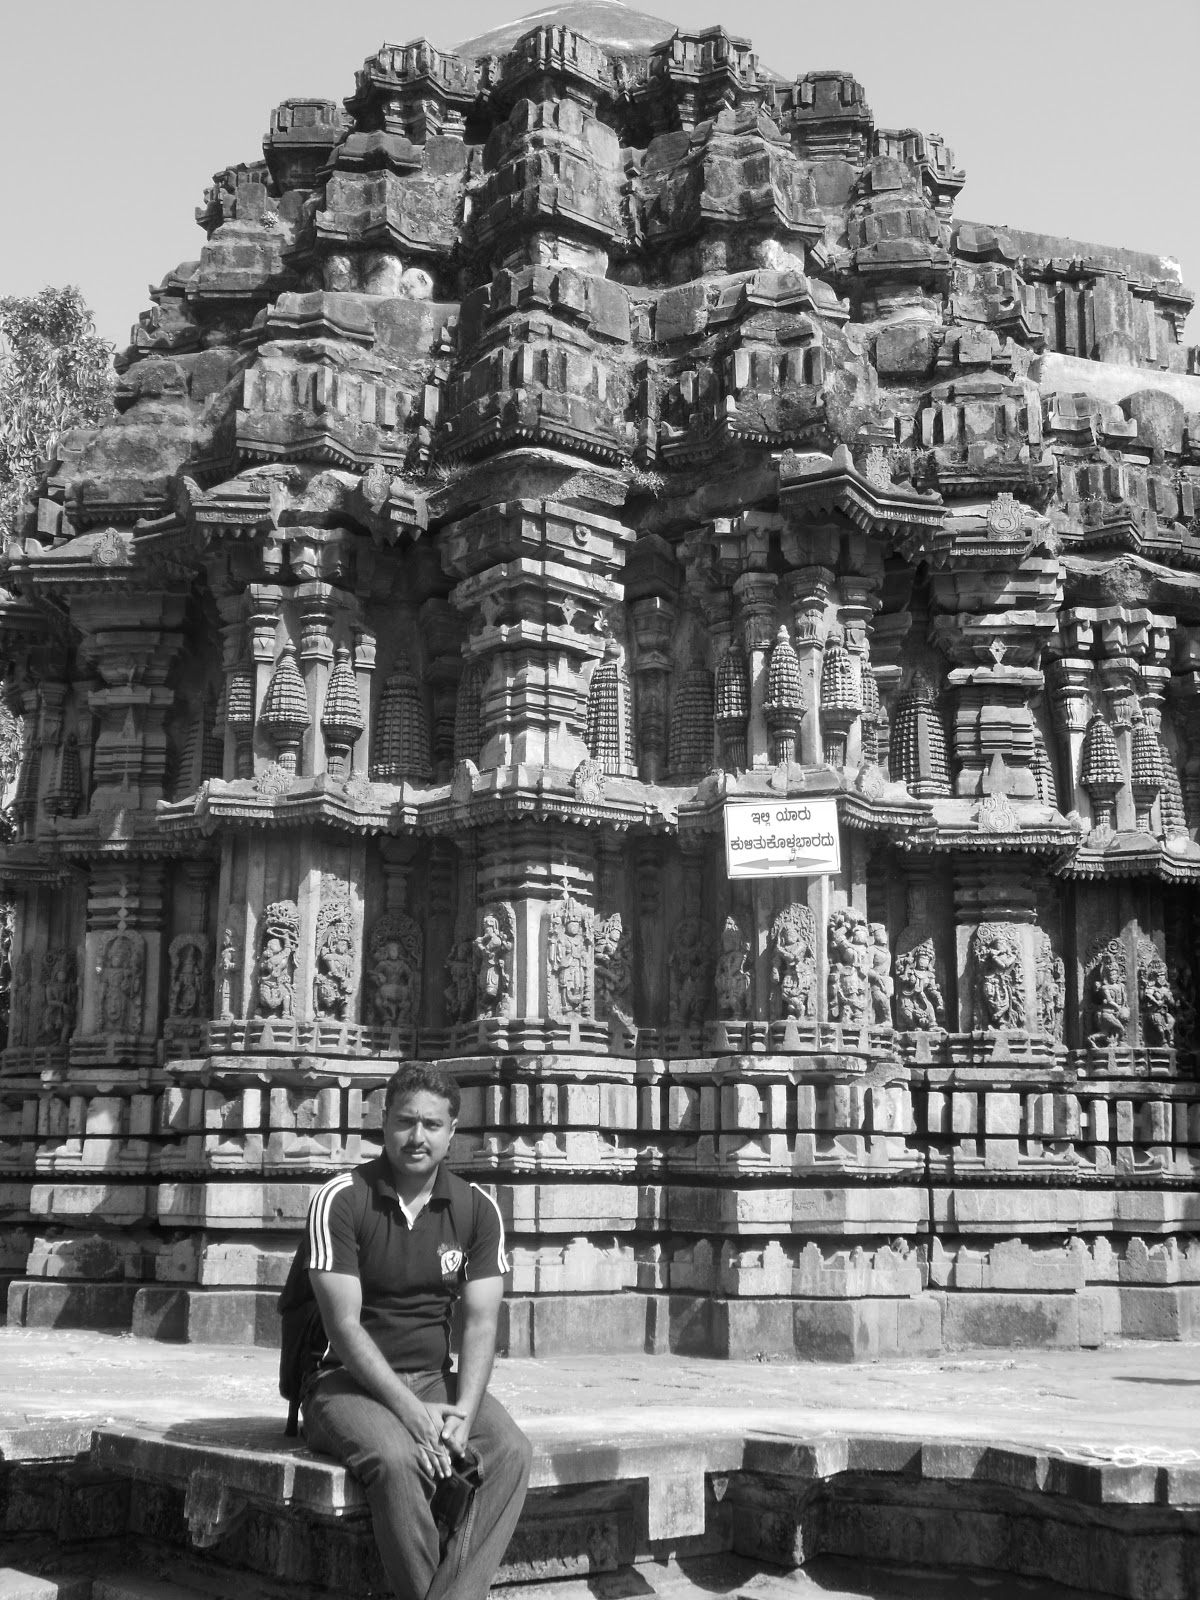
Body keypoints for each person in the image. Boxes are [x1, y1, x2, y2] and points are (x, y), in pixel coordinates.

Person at [302, 1064, 532, 1600]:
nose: (417, 1137)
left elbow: (481, 1324)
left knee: (510, 1451)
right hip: (344, 1384)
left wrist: (462, 1417)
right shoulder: (342, 1198)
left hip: (433, 1379)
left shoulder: (477, 1209)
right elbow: (343, 1326)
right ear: (383, 1123)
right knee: (398, 1459)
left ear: (452, 1132)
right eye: (406, 1122)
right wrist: (410, 1413)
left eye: (432, 1124)